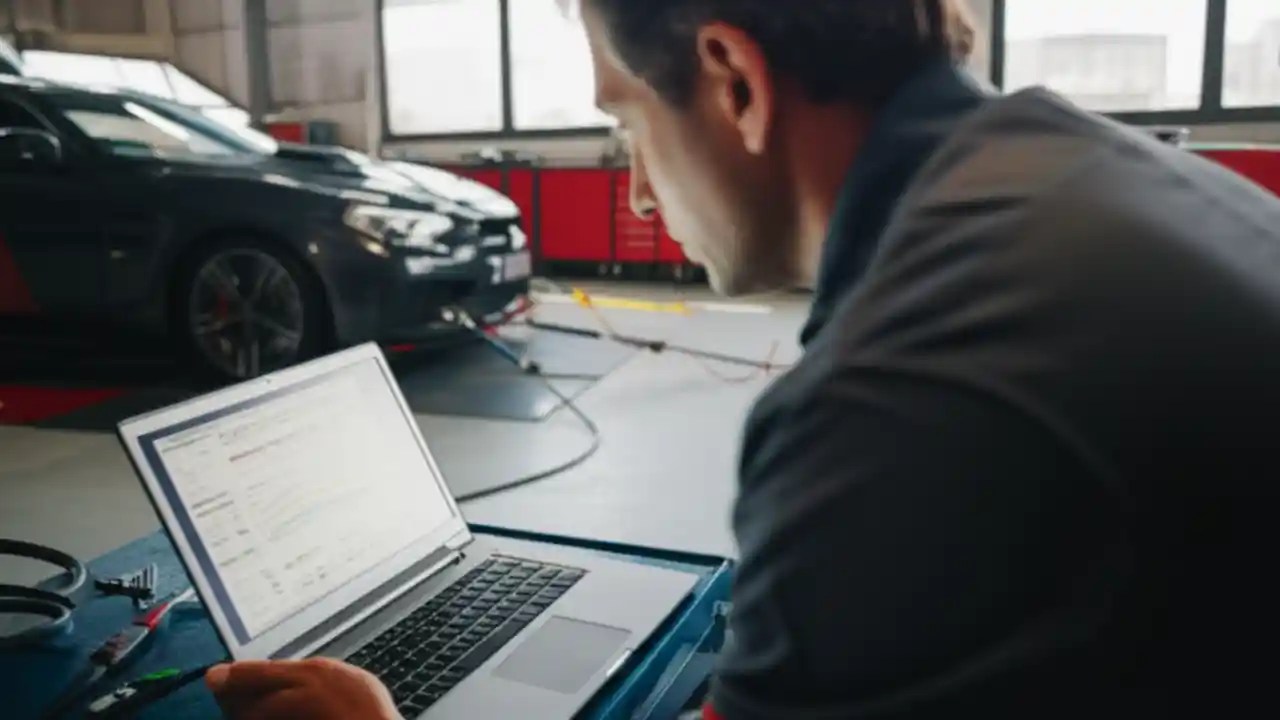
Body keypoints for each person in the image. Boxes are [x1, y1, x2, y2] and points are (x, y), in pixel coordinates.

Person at [206, 0, 1280, 718]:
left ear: (731, 79)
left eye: (626, 121)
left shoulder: (900, 388)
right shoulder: (1103, 179)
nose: (633, 188)